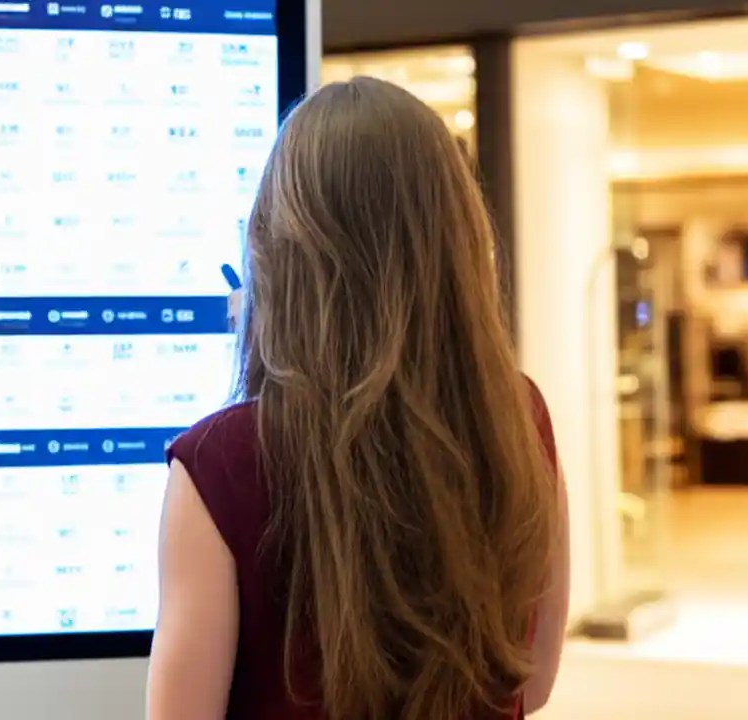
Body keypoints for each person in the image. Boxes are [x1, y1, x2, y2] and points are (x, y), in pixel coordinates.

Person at [147, 77, 569, 720]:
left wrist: (260, 348)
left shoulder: (221, 463)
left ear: (278, 254)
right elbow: (531, 685)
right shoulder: (518, 416)